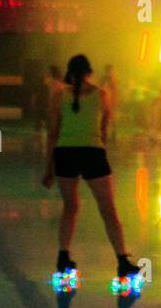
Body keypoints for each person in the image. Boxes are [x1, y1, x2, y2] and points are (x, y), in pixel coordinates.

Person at [41, 54, 140, 280]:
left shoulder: (58, 97)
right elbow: (105, 130)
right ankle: (122, 260)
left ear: (69, 72)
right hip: (92, 154)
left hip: (65, 154)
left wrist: (48, 169)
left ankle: (63, 257)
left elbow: (53, 135)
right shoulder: (101, 95)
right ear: (89, 72)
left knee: (70, 208)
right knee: (108, 211)